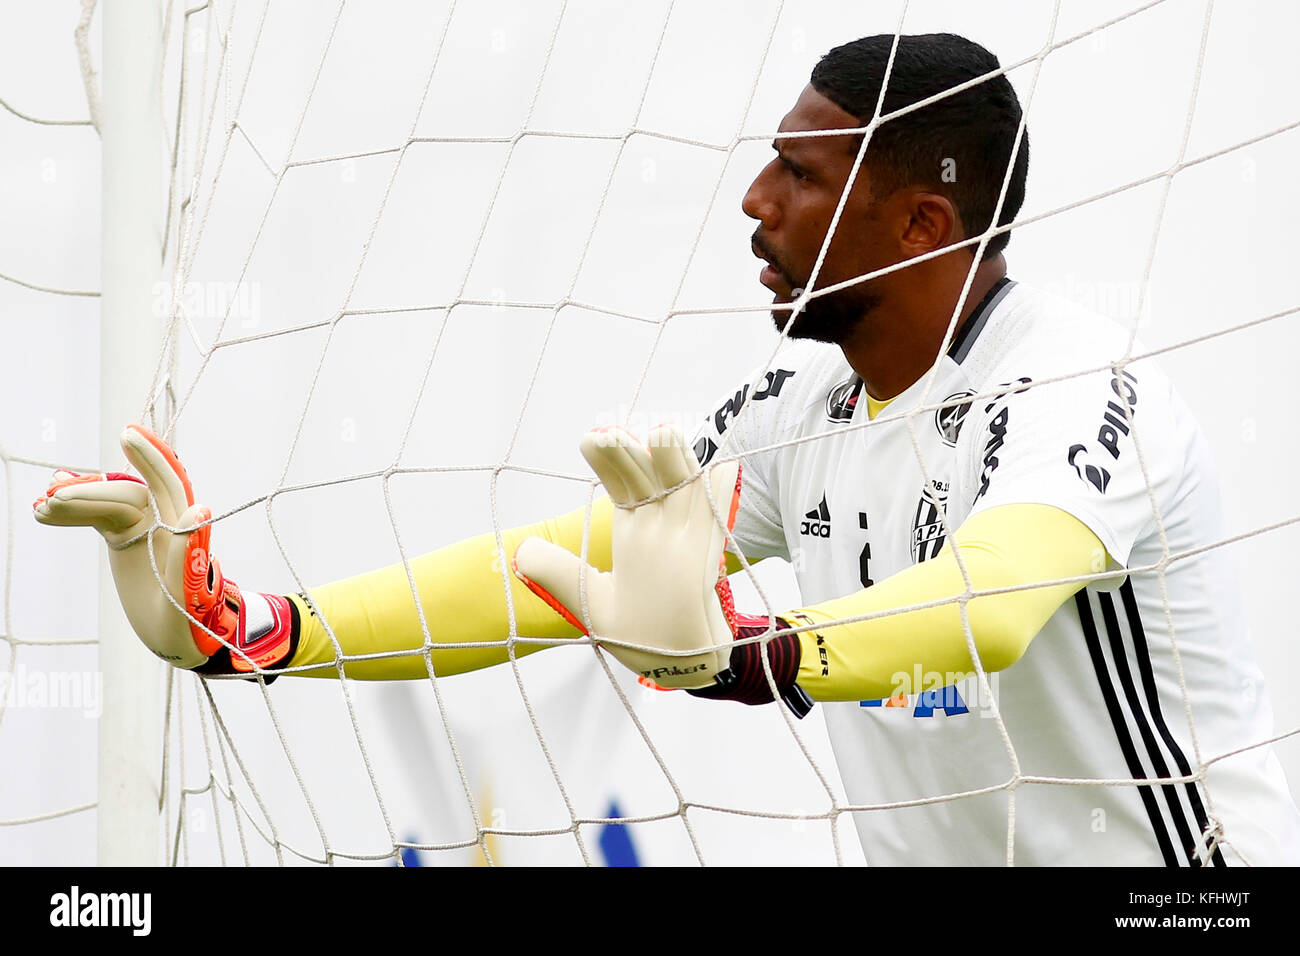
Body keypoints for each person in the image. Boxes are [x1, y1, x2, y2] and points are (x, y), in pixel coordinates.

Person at [36, 33, 1300, 866]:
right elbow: (547, 568)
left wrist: (760, 658)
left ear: (923, 219)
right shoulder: (799, 407)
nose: (754, 203)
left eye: (797, 175)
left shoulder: (1075, 378)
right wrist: (258, 626)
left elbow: (994, 600)